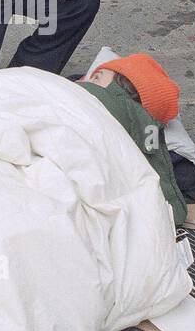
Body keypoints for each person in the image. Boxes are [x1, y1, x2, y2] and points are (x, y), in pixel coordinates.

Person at [78, 53, 188, 225]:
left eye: (97, 78)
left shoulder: (122, 110)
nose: (82, 81)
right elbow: (172, 209)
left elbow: (170, 209)